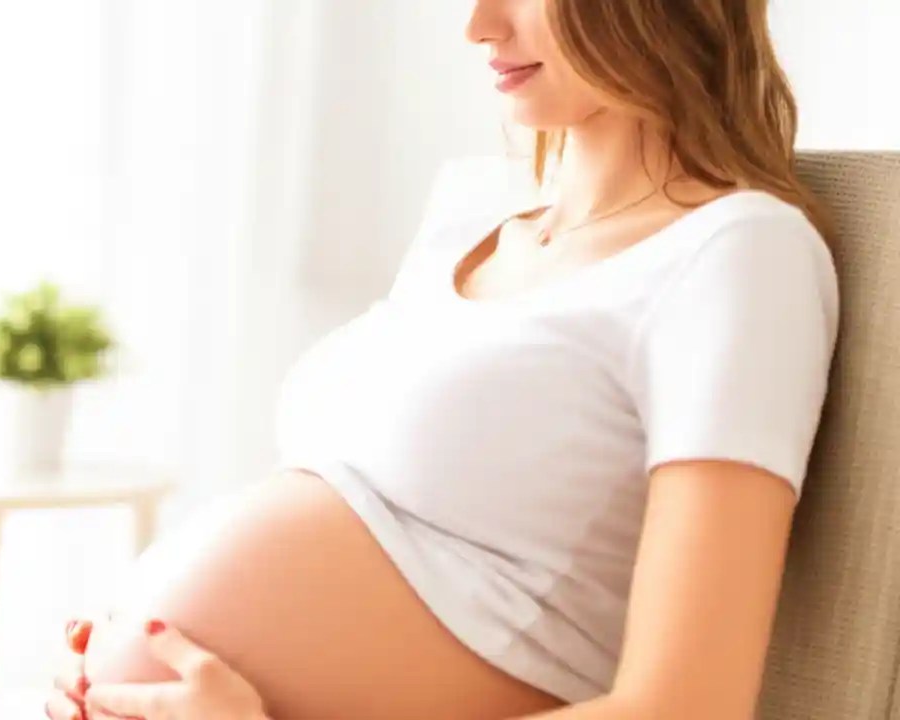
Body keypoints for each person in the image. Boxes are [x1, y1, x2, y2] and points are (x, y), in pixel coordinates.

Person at [46, 0, 840, 717]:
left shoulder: (739, 253)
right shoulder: (471, 226)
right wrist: (123, 657)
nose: (478, 26)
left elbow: (688, 707)